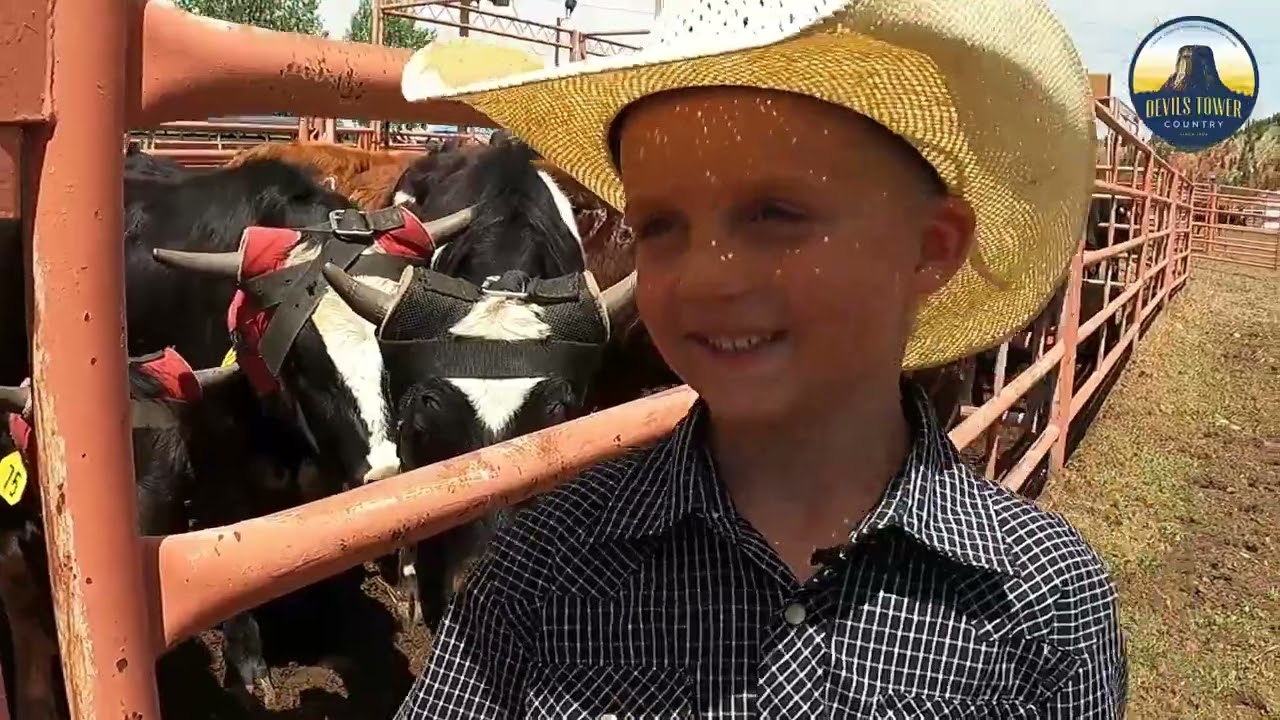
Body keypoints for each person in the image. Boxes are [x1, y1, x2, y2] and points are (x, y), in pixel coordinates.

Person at [394, 0, 1126, 717]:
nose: (707, 277)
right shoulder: (541, 569)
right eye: (658, 225)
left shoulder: (1045, 603)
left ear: (930, 249)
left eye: (775, 214)